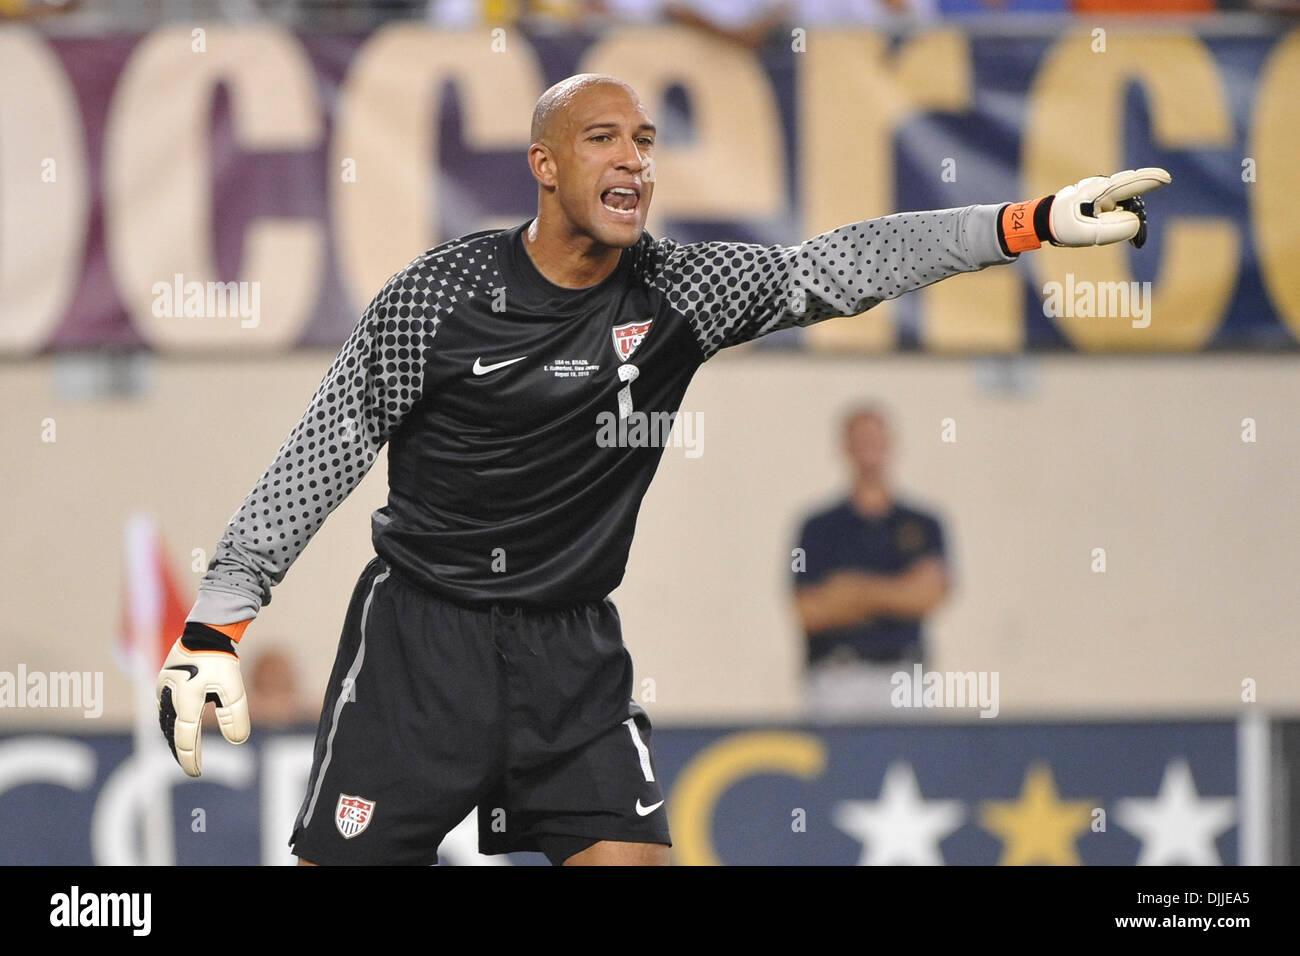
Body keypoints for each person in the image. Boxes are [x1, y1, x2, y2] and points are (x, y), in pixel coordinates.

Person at [154, 71, 1169, 866]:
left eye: (644, 140)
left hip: (573, 647)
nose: (633, 159)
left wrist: (1024, 223)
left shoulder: (681, 287)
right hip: (424, 639)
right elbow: (321, 451)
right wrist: (216, 620)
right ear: (544, 165)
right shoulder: (439, 296)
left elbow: (840, 265)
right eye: (602, 138)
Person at [792, 407, 948, 720]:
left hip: (905, 678)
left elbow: (930, 596)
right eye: (860, 440)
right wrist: (899, 592)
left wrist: (852, 590)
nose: (869, 449)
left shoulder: (922, 523)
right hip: (839, 676)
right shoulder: (818, 527)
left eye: (875, 439)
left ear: (891, 445)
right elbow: (808, 610)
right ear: (845, 448)